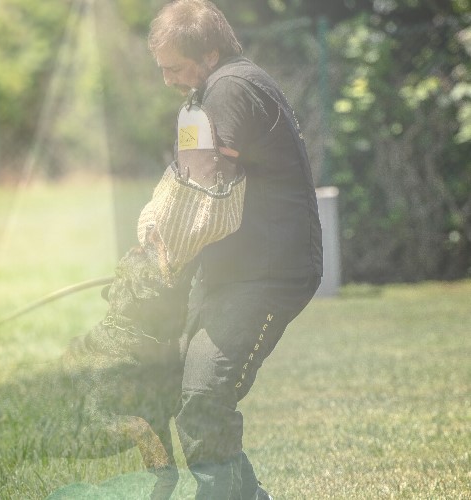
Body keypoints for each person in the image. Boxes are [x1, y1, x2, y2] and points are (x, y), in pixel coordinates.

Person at [147, 1, 323, 498]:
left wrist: (163, 238)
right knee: (200, 400)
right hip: (229, 269)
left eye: (175, 68)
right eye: (161, 69)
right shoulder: (208, 91)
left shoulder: (230, 88)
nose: (168, 81)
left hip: (267, 272)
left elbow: (200, 181)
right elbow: (192, 176)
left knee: (205, 399)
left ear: (210, 52)